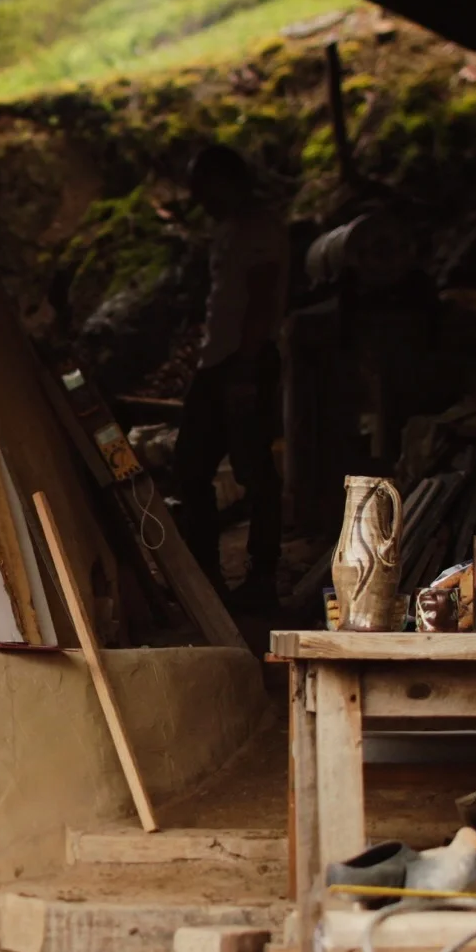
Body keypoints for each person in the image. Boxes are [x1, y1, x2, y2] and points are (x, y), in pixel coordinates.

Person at [175, 146, 289, 609]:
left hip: (243, 361)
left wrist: (244, 367)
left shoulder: (259, 228)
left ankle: (261, 575)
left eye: (203, 185)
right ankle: (206, 578)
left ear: (225, 180)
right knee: (191, 465)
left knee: (254, 470)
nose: (197, 197)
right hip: (220, 361)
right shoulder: (229, 230)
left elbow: (261, 299)